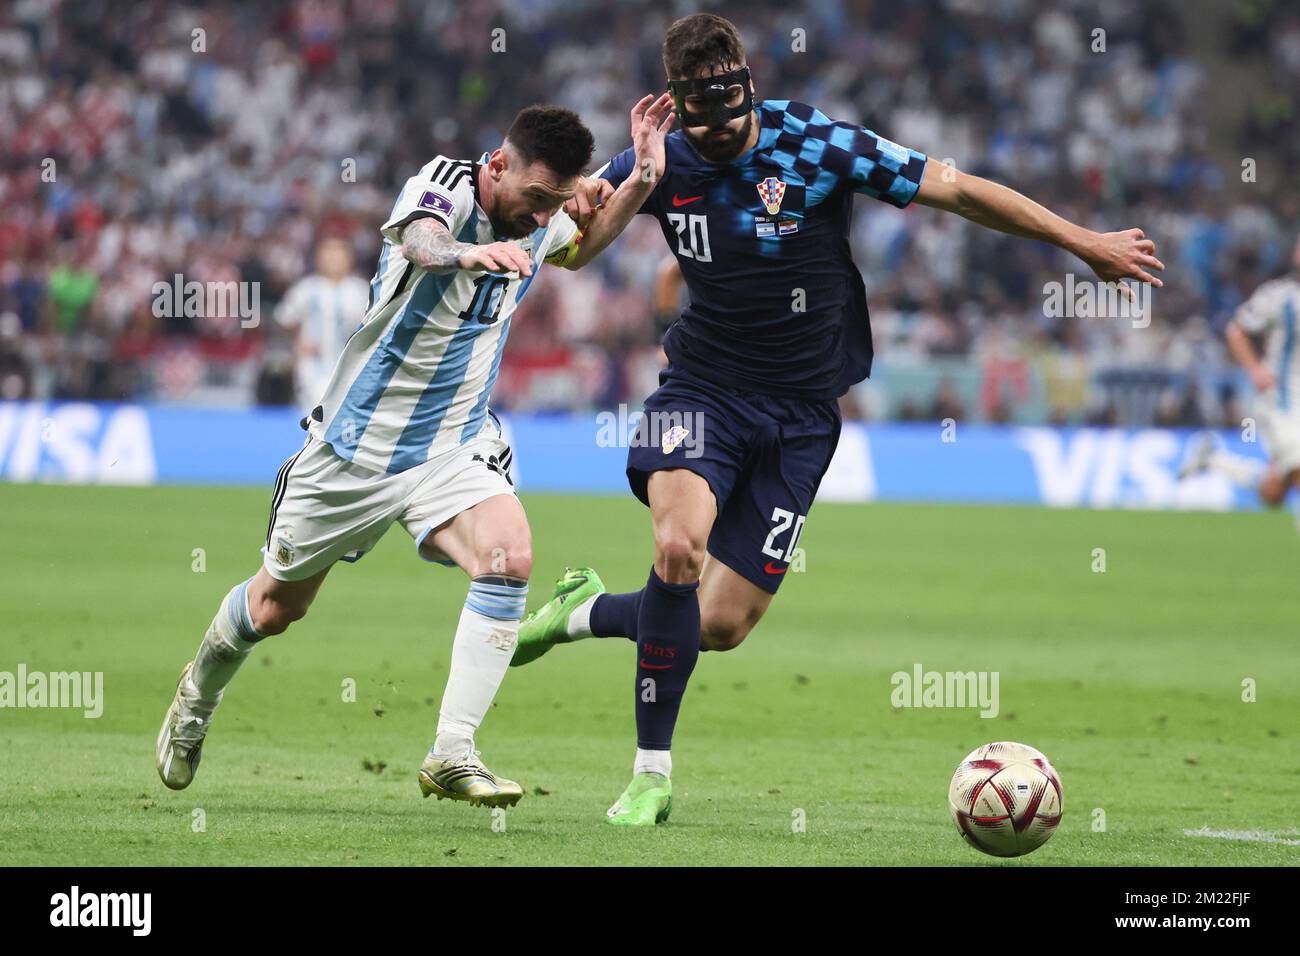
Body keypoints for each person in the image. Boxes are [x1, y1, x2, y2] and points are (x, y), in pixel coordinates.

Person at [511, 13, 1164, 826]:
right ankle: (651, 774)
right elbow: (570, 251)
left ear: (749, 85)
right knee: (678, 549)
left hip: (802, 417)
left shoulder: (818, 145)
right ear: (679, 107)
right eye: (701, 130)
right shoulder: (662, 156)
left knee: (716, 624)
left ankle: (583, 609)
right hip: (702, 391)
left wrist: (1083, 242)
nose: (717, 142)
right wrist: (635, 180)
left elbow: (955, 189)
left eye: (731, 125)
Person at [157, 96, 676, 807]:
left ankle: (452, 751)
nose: (540, 215)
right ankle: (197, 695)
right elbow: (421, 241)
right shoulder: (443, 185)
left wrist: (643, 179)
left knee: (510, 555)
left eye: (554, 200)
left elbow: (580, 249)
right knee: (276, 607)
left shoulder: (539, 214)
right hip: (353, 449)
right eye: (533, 197)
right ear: (498, 165)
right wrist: (468, 252)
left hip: (451, 447)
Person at [1180, 234, 1300, 510]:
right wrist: (1256, 369)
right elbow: (1237, 330)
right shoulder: (1279, 295)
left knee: (1273, 494)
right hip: (1284, 399)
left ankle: (1215, 461)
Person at [274, 236, 370, 410]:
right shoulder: (305, 289)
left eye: (339, 252)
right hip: (313, 369)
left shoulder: (362, 290)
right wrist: (297, 341)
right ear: (318, 258)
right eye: (328, 252)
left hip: (352, 368)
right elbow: (283, 320)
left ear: (350, 258)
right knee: (315, 416)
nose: (334, 258)